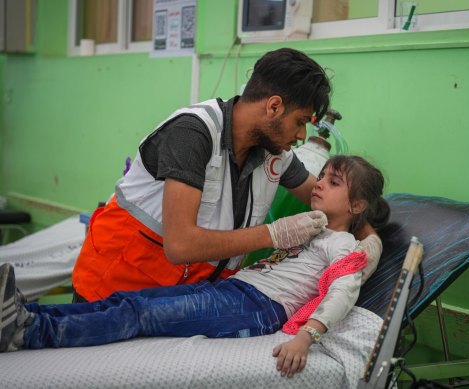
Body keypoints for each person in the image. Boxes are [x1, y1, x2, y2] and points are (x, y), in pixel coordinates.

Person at [0, 155, 388, 378]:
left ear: (357, 206)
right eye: (320, 176)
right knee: (131, 302)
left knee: (138, 313)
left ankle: (30, 331)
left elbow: (343, 290)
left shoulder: (344, 245)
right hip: (237, 291)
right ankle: (24, 316)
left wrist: (307, 337)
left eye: (333, 182)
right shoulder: (310, 230)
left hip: (255, 307)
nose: (318, 184)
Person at [72, 47, 336, 302]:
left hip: (176, 302)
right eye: (300, 122)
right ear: (274, 107)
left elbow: (326, 200)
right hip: (112, 290)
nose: (302, 136)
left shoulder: (276, 154)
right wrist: (275, 234)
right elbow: (180, 245)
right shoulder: (192, 133)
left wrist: (371, 233)